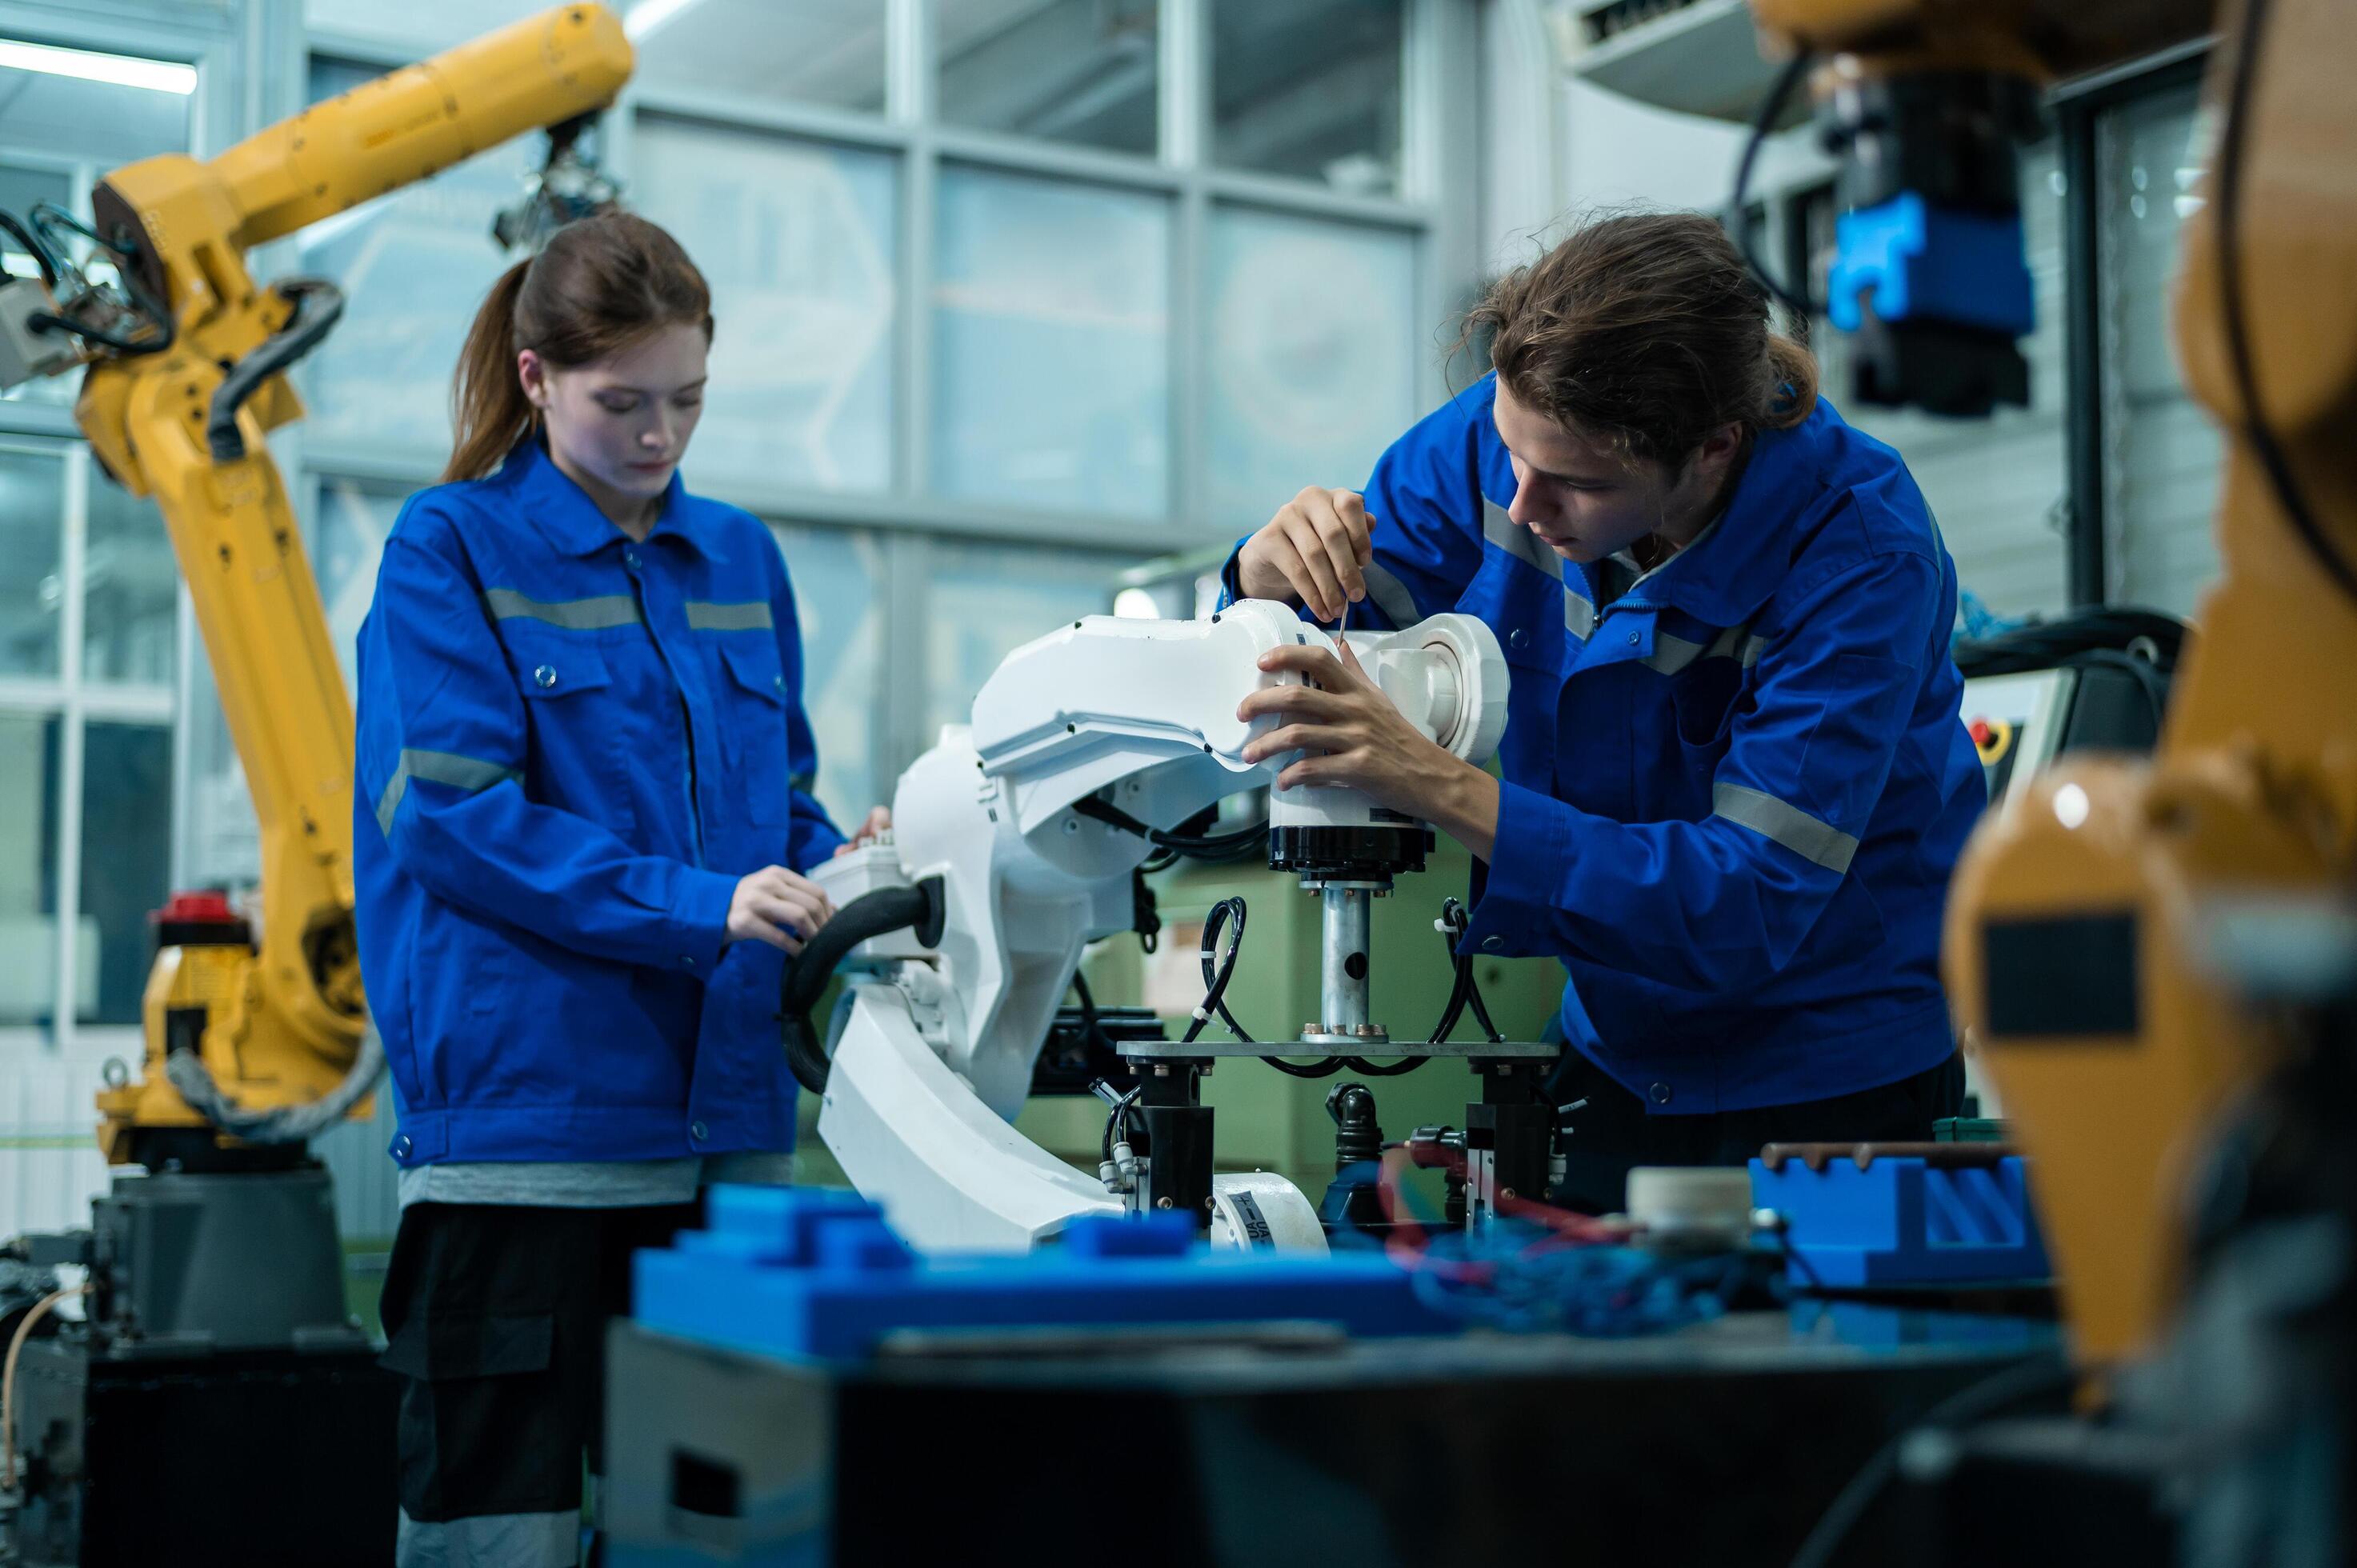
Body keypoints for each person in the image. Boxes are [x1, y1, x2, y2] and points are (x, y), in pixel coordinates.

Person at [1226, 210, 1983, 1213]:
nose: (1521, 503)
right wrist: (1262, 583)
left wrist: (1436, 784)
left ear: (1712, 450)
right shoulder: (1513, 435)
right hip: (1618, 1041)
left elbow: (1746, 901)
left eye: (1577, 485)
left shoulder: (1860, 550)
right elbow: (1330, 643)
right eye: (1512, 453)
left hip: (1832, 1065)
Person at [350, 211, 886, 1566]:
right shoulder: (449, 547)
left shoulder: (742, 562)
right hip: (531, 1146)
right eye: (623, 402)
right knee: (503, 1532)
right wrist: (700, 905)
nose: (661, 434)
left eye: (688, 399)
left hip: (728, 1134)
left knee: (719, 1529)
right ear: (536, 379)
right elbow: (450, 817)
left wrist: (853, 863)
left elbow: (780, 807)